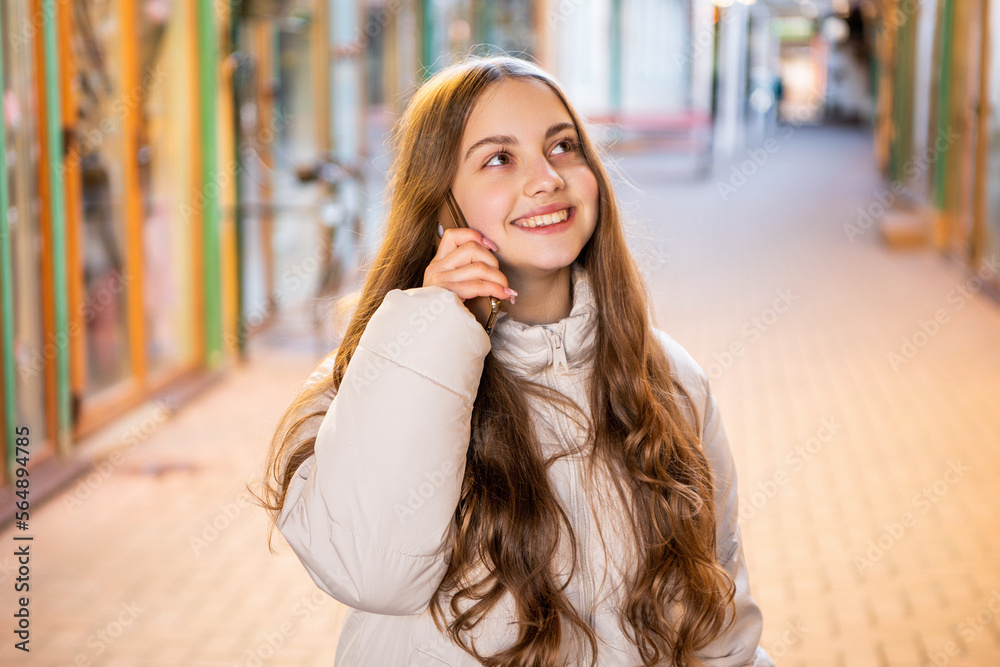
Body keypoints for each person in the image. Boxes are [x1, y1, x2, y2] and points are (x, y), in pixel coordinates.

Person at [259, 55, 773, 667]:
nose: (547, 178)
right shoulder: (378, 372)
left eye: (563, 147)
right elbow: (373, 570)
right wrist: (436, 330)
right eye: (499, 158)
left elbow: (717, 622)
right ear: (440, 202)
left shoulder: (671, 378)